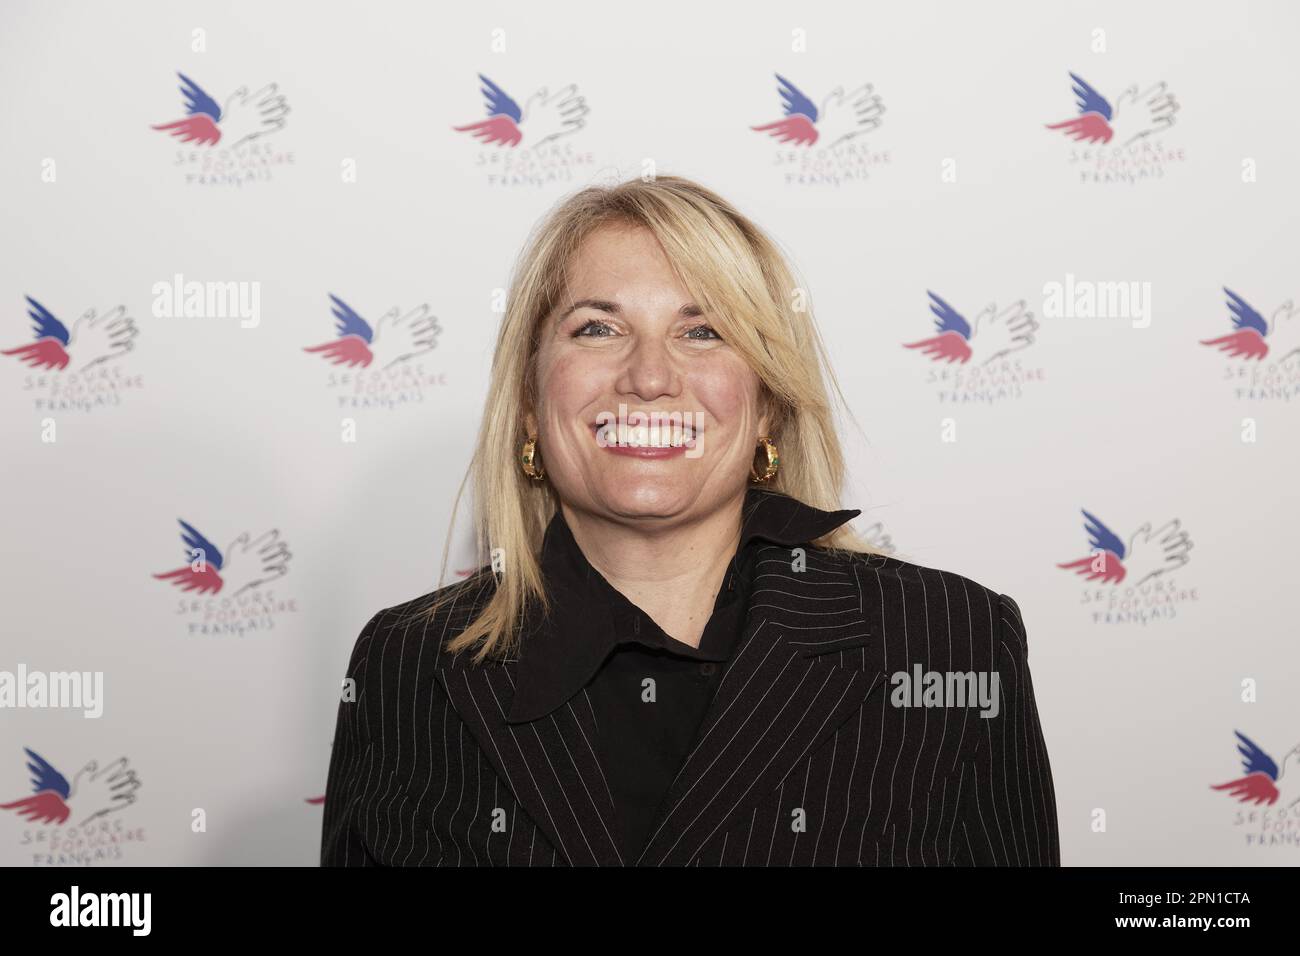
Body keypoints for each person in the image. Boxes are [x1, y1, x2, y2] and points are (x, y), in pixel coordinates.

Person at [320, 174, 1060, 866]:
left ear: (767, 403)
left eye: (702, 331)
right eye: (596, 330)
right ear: (528, 403)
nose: (649, 377)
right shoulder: (407, 665)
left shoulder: (950, 641)